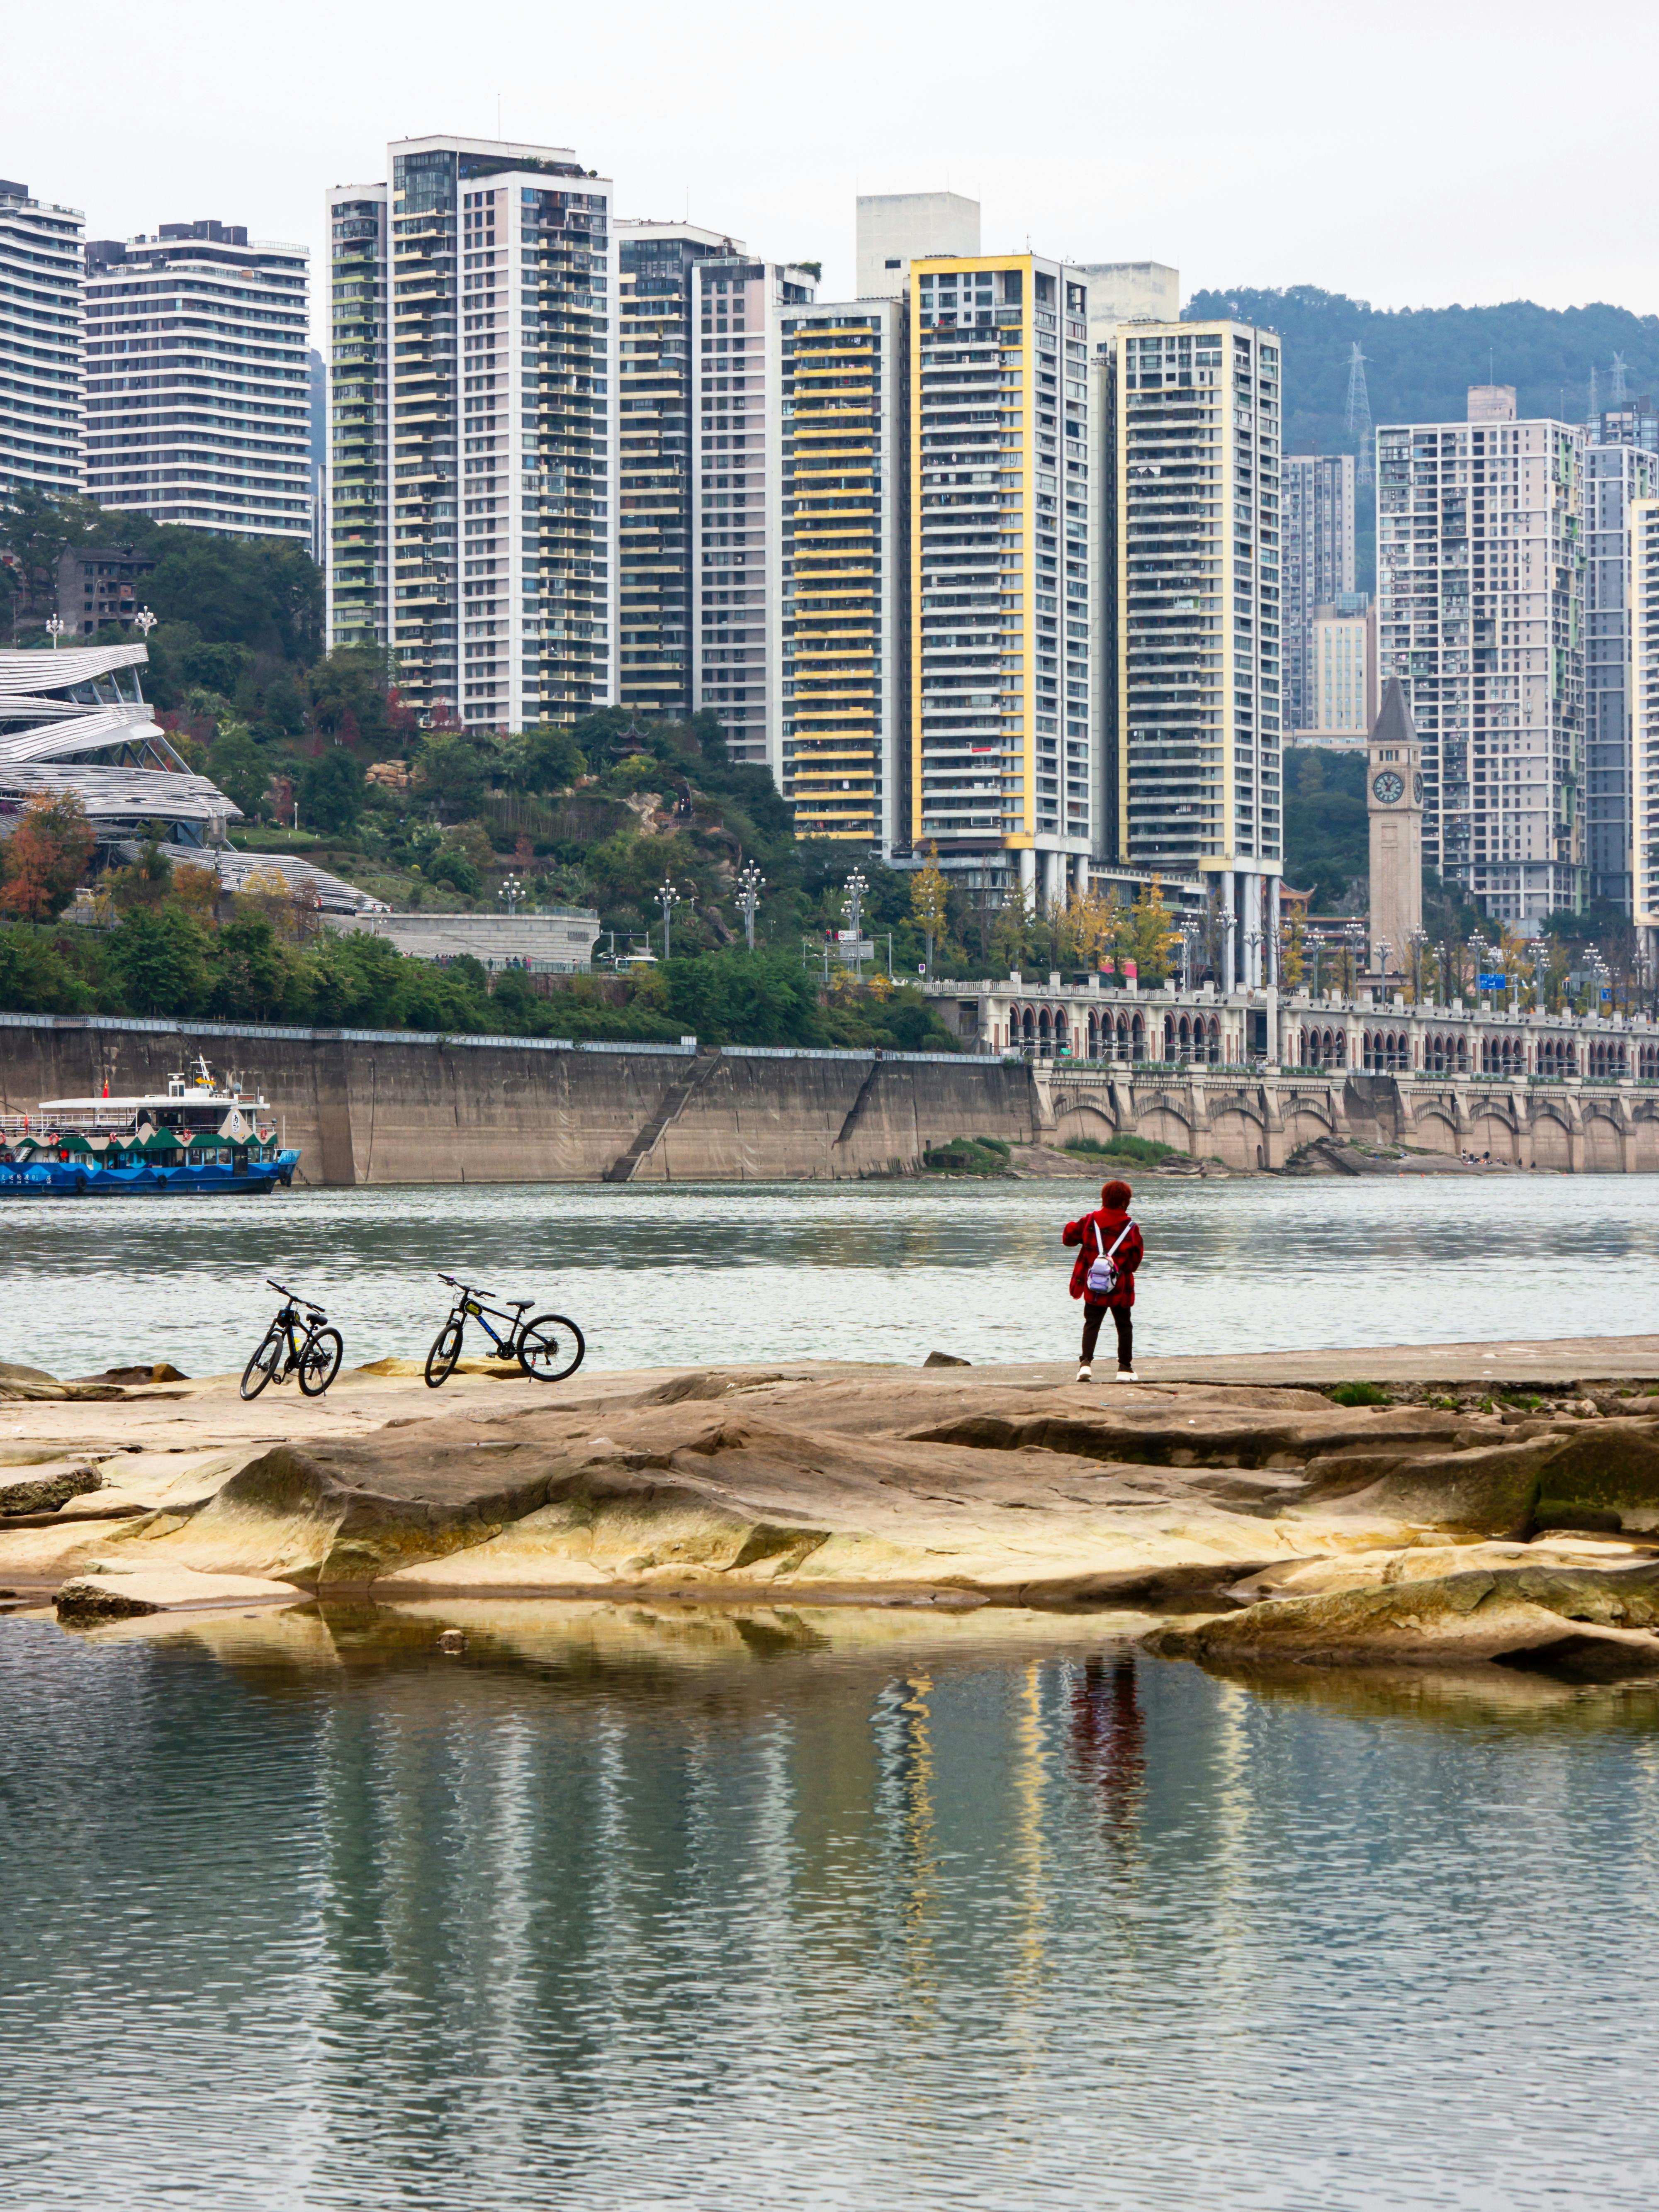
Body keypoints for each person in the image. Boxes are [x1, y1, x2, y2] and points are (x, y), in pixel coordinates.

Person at [1063, 1178, 1144, 1384]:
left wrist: (1087, 1239)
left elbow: (1068, 1238)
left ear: (1104, 1199)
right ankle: (1125, 1369)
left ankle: (1085, 1365)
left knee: (1092, 1324)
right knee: (1124, 1325)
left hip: (1095, 1285)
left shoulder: (1090, 1221)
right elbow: (1135, 1261)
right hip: (1121, 1285)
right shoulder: (1131, 1227)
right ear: (1126, 1202)